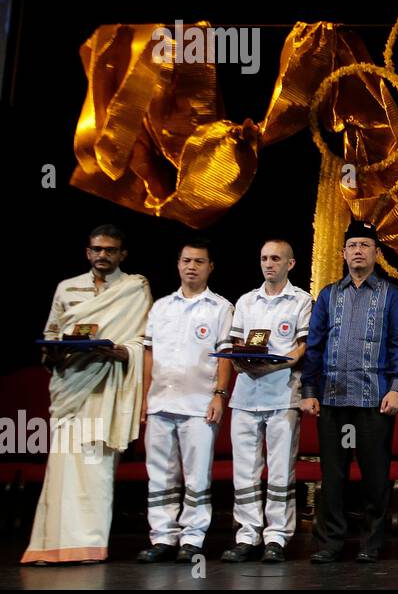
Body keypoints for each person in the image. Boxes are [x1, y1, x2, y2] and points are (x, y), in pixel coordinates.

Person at [23, 225, 152, 565]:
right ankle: (50, 546)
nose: (102, 255)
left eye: (110, 250)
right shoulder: (67, 288)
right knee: (62, 471)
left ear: (122, 254)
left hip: (106, 388)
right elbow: (51, 333)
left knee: (96, 471)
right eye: (97, 249)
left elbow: (144, 341)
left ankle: (89, 547)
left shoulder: (133, 289)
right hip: (70, 387)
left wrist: (122, 351)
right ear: (87, 252)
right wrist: (52, 352)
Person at [300, 220, 398, 564]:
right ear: (343, 253)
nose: (358, 251)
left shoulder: (391, 294)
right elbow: (315, 344)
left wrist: (396, 387)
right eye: (353, 245)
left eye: (365, 245)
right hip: (333, 400)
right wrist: (309, 389)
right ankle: (331, 542)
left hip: (373, 401)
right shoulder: (329, 294)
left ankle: (371, 543)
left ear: (377, 252)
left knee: (375, 475)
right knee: (333, 476)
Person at [135, 240, 233, 563]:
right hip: (161, 401)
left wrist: (220, 394)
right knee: (160, 473)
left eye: (199, 261)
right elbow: (149, 354)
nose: (192, 266)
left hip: (199, 404)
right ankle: (162, 537)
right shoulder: (161, 307)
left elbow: (225, 355)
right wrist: (144, 397)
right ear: (178, 264)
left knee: (197, 475)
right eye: (187, 260)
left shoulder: (220, 308)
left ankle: (192, 538)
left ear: (210, 267)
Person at [220, 239, 313, 564]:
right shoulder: (246, 301)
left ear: (290, 263)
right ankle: (247, 535)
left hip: (283, 394)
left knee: (280, 470)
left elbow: (303, 346)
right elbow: (235, 345)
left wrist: (277, 365)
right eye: (264, 258)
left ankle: (276, 537)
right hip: (246, 395)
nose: (269, 264)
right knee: (245, 471)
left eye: (275, 258)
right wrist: (241, 363)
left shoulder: (301, 300)